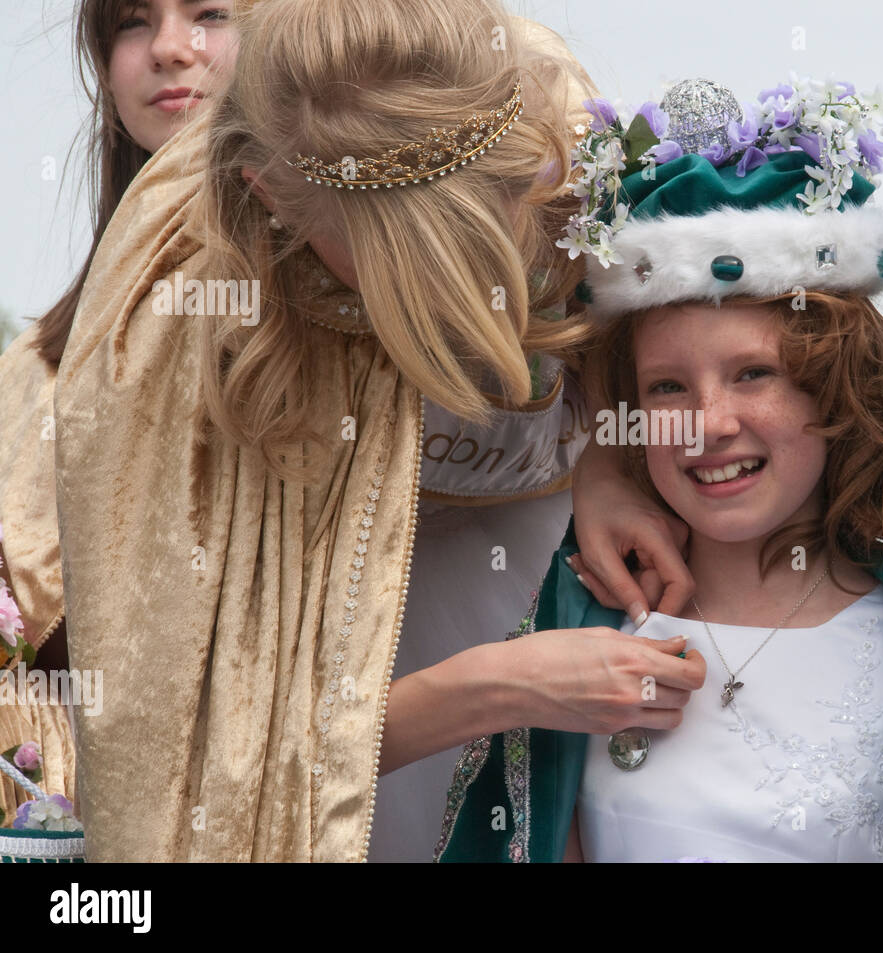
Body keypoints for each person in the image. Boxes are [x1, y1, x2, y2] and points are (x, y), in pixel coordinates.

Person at [52, 0, 705, 862]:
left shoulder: (568, 149)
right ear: (269, 199)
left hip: (567, 645)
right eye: (382, 252)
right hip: (372, 745)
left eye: (466, 236)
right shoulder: (179, 312)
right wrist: (500, 684)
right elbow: (195, 765)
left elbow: (625, 356)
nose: (439, 299)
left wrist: (606, 465)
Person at [436, 78, 883, 862]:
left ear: (835, 385)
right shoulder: (578, 634)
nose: (708, 425)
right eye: (667, 387)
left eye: (754, 374)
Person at [0, 0, 237, 836]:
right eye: (134, 21)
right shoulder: (35, 365)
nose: (172, 48)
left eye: (211, 12)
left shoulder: (335, 314)